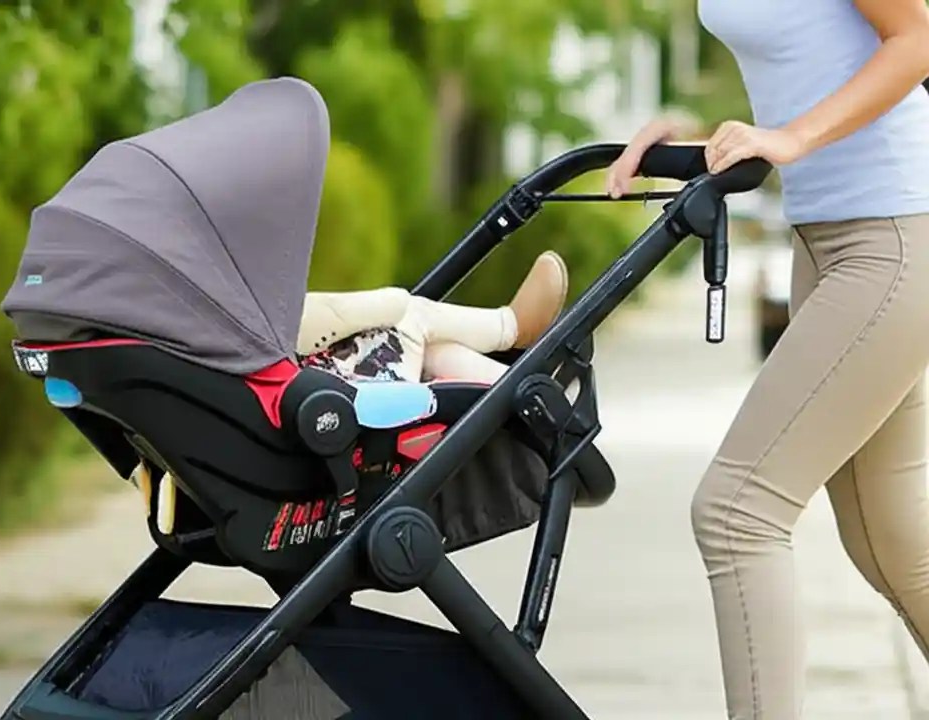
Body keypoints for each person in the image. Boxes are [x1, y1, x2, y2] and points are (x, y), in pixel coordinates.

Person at [603, 2, 929, 718]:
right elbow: (798, 55)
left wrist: (792, 137)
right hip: (824, 242)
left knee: (736, 513)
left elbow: (916, 38)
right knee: (892, 543)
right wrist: (695, 132)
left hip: (893, 234)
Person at [296, 251, 568, 385]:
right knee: (408, 317)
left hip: (311, 381)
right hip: (332, 398)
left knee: (432, 349)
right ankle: (510, 330)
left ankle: (534, 387)